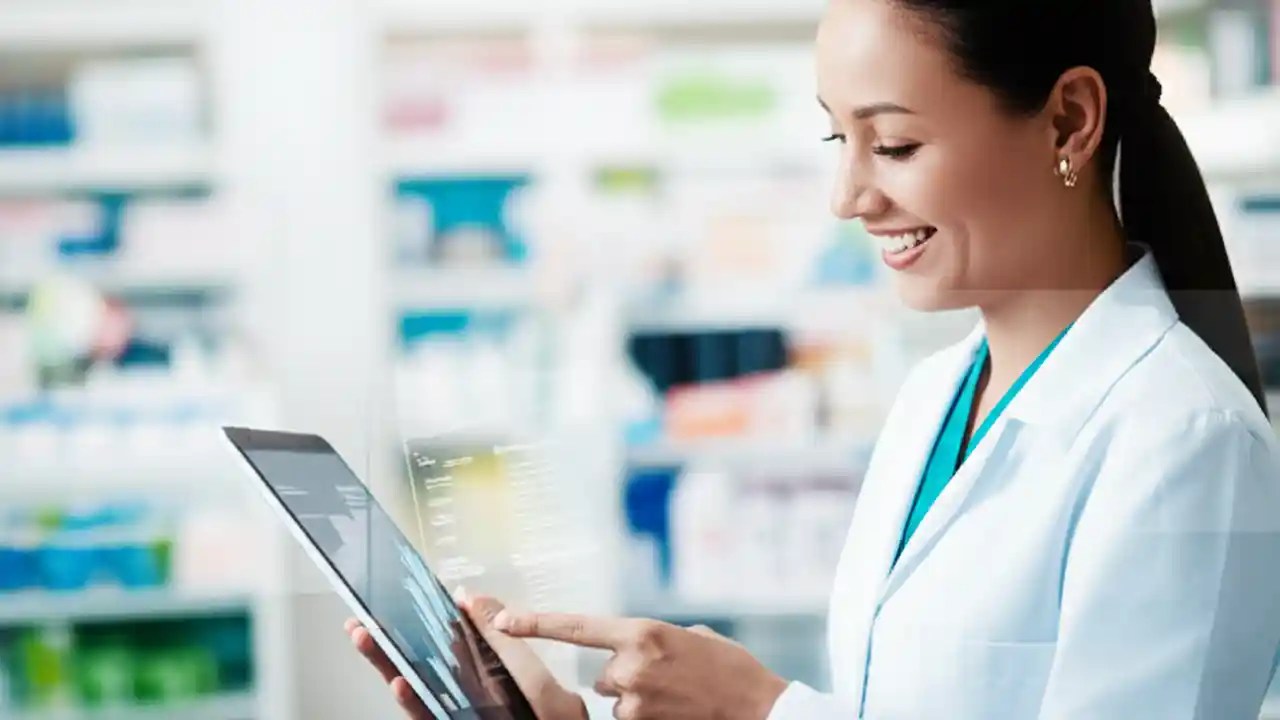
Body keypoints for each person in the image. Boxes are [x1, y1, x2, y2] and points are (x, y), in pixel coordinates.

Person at [349, 0, 1280, 717]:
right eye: (842, 138)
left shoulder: (1182, 438)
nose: (848, 195)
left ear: (1069, 121)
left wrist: (763, 705)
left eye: (896, 144)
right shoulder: (934, 397)